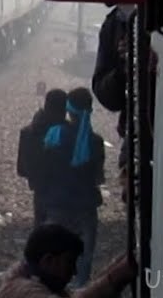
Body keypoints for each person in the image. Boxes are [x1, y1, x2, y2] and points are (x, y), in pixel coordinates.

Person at [38, 87, 106, 288]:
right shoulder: (96, 142)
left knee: (53, 253)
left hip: (57, 204)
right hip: (85, 206)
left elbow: (45, 170)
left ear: (69, 111)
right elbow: (98, 177)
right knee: (84, 258)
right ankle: (80, 291)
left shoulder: (55, 134)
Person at [0, 223, 136, 298]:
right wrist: (113, 278)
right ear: (48, 260)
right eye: (69, 262)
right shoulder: (22, 290)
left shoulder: (36, 282)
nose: (74, 272)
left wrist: (113, 272)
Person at [18, 88, 68, 225]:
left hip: (39, 186)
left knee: (41, 224)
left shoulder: (28, 132)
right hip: (65, 189)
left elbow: (22, 169)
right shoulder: (69, 133)